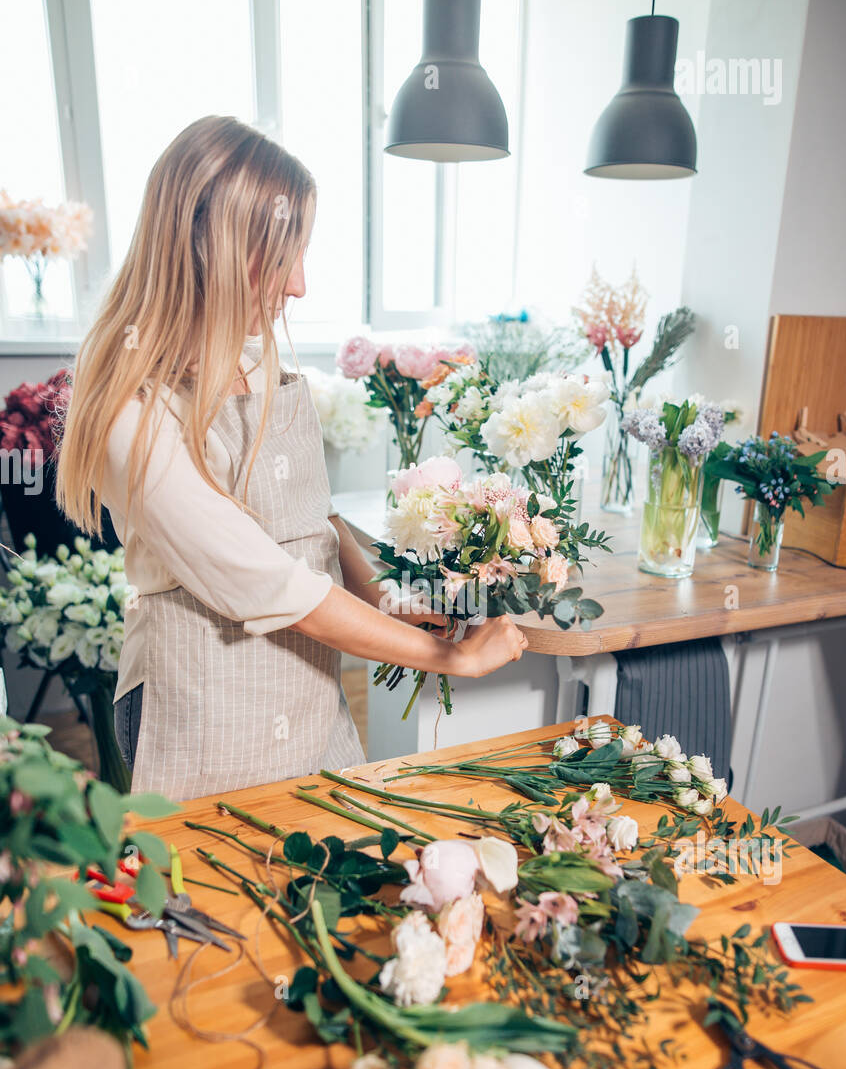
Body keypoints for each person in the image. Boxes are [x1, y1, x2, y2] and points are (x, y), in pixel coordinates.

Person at [56, 116, 527, 799]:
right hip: (201, 704)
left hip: (305, 690)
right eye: (282, 257)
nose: (300, 285)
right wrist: (451, 658)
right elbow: (270, 585)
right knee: (219, 898)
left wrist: (388, 600)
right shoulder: (133, 410)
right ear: (208, 246)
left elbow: (315, 521)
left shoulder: (253, 351)